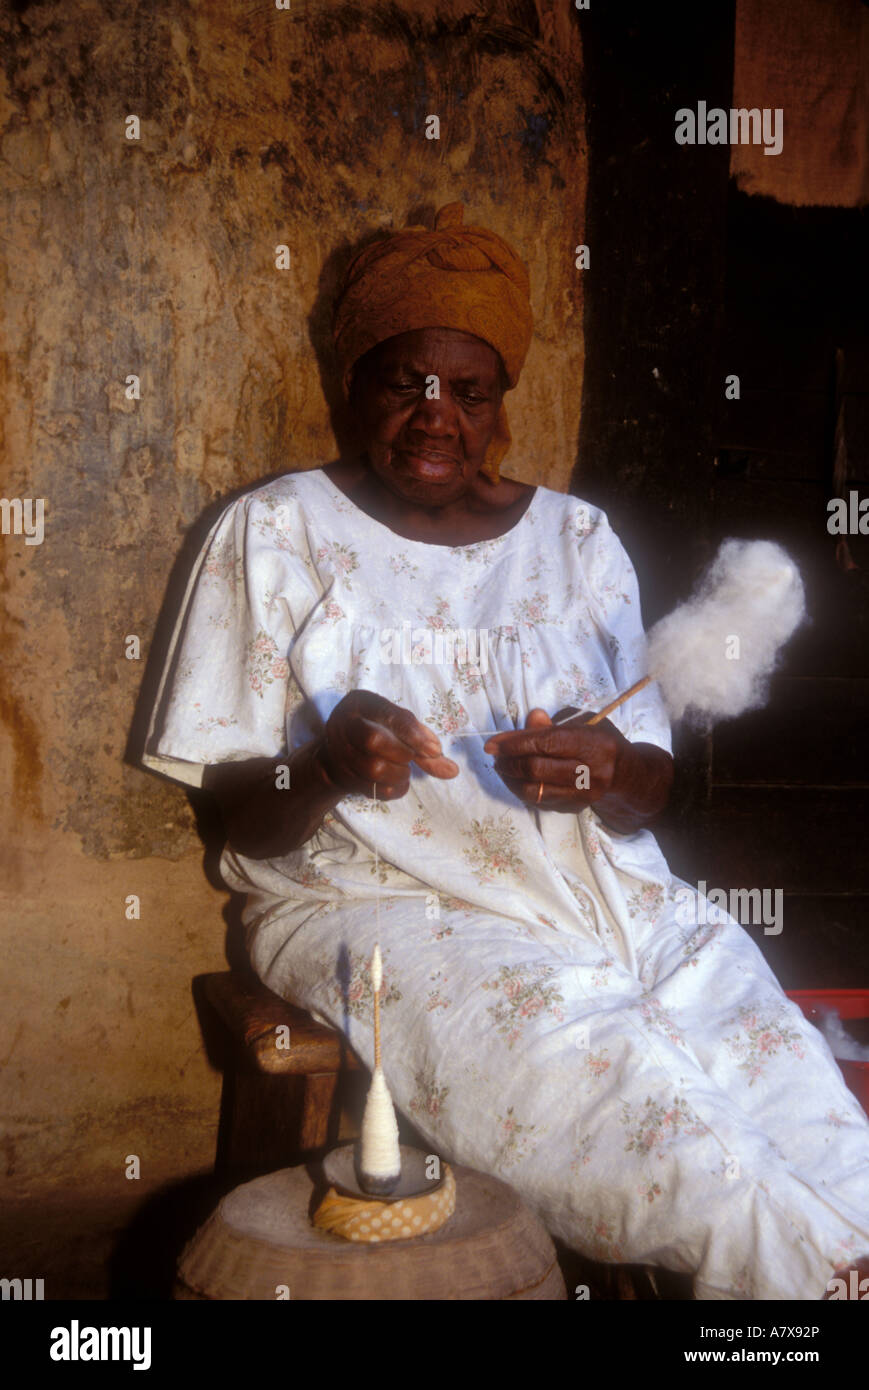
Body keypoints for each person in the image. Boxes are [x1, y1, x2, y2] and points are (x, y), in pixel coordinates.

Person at [142, 203, 869, 1299]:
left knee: (809, 1118)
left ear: (498, 405)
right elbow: (233, 815)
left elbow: (650, 786)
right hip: (383, 917)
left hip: (618, 902)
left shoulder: (576, 541)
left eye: (467, 391)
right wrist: (329, 767)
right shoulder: (275, 531)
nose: (435, 417)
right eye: (404, 383)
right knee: (678, 1152)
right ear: (352, 387)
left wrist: (610, 771)